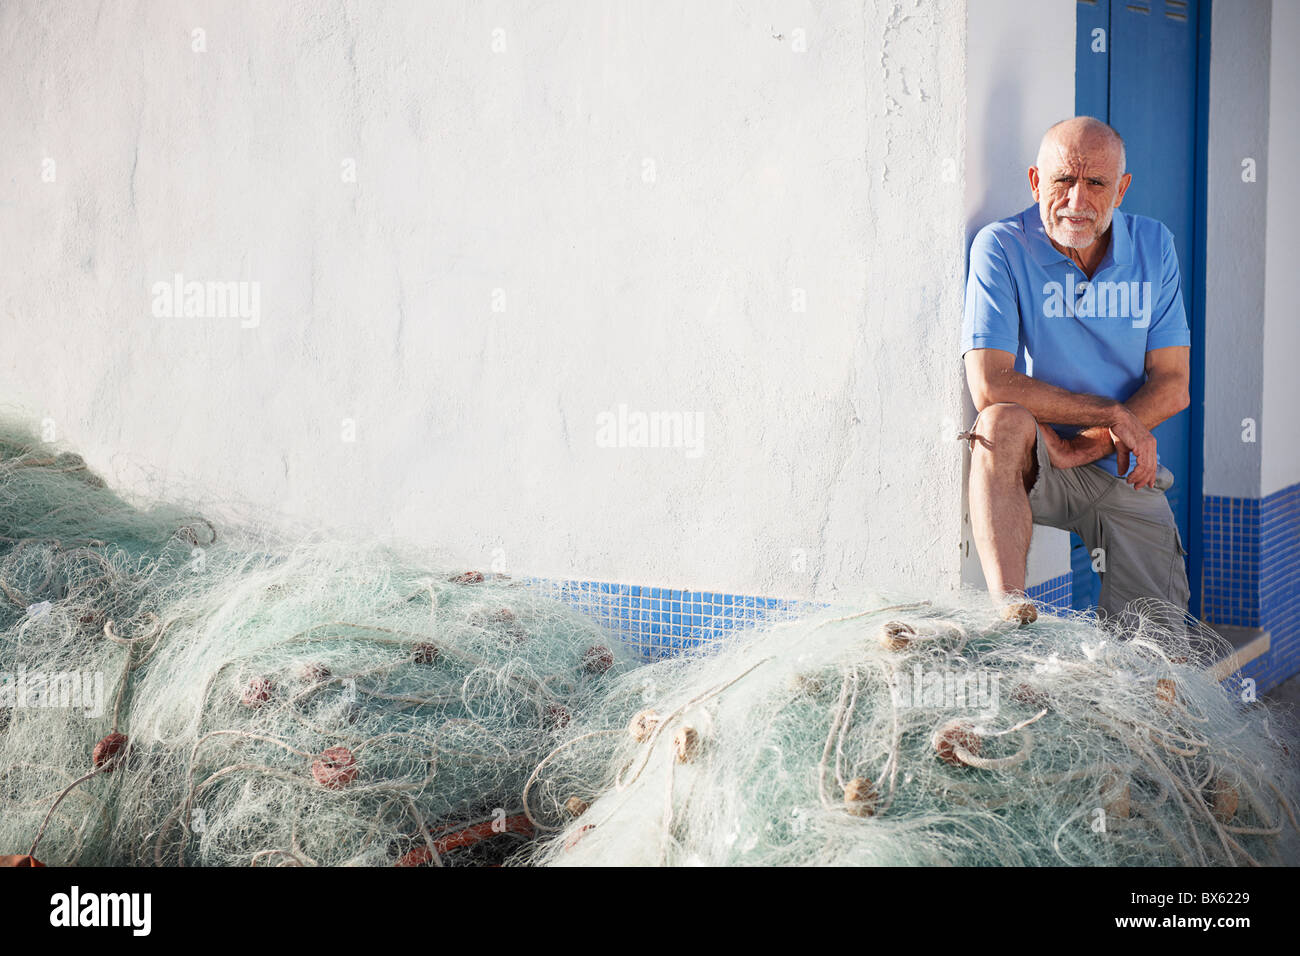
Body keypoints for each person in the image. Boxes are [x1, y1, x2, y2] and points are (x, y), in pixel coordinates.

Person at [961, 116, 1191, 626]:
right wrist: (1111, 413)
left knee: (1160, 654)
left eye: (1096, 183)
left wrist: (1092, 441)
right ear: (1036, 182)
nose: (1077, 201)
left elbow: (1173, 384)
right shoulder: (1001, 246)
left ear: (1122, 189)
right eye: (1063, 180)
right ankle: (1011, 615)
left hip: (1124, 467)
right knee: (997, 424)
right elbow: (990, 383)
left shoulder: (1154, 246)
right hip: (1039, 460)